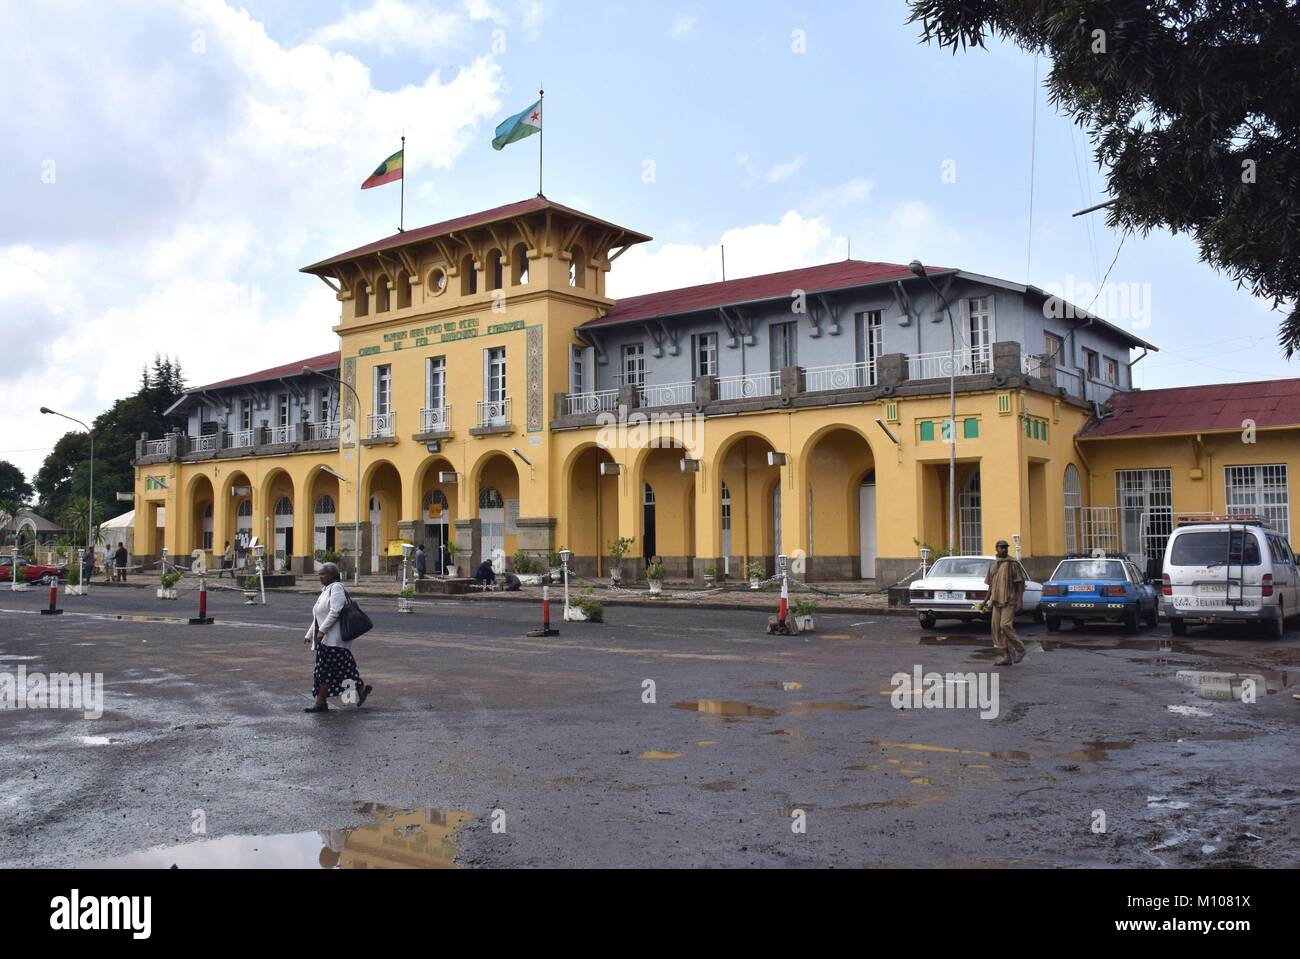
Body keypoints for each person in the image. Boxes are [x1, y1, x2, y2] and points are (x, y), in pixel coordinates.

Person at [303, 562, 372, 713]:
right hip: (328, 640)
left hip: (334, 640)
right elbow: (318, 617)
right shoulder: (325, 590)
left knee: (324, 672)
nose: (320, 577)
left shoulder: (336, 588)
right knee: (344, 670)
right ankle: (360, 690)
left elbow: (335, 611)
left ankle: (320, 702)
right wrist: (310, 634)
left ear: (333, 575)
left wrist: (321, 632)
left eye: (323, 574)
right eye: (319, 574)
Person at [983, 539, 1026, 666]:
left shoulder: (1013, 563)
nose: (1004, 549)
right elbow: (991, 585)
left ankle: (1020, 649)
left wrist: (1019, 601)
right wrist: (984, 601)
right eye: (1001, 547)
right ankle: (1007, 656)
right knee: (996, 630)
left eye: (1006, 547)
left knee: (1005, 626)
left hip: (1009, 599)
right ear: (996, 548)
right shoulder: (993, 564)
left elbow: (1019, 583)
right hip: (996, 601)